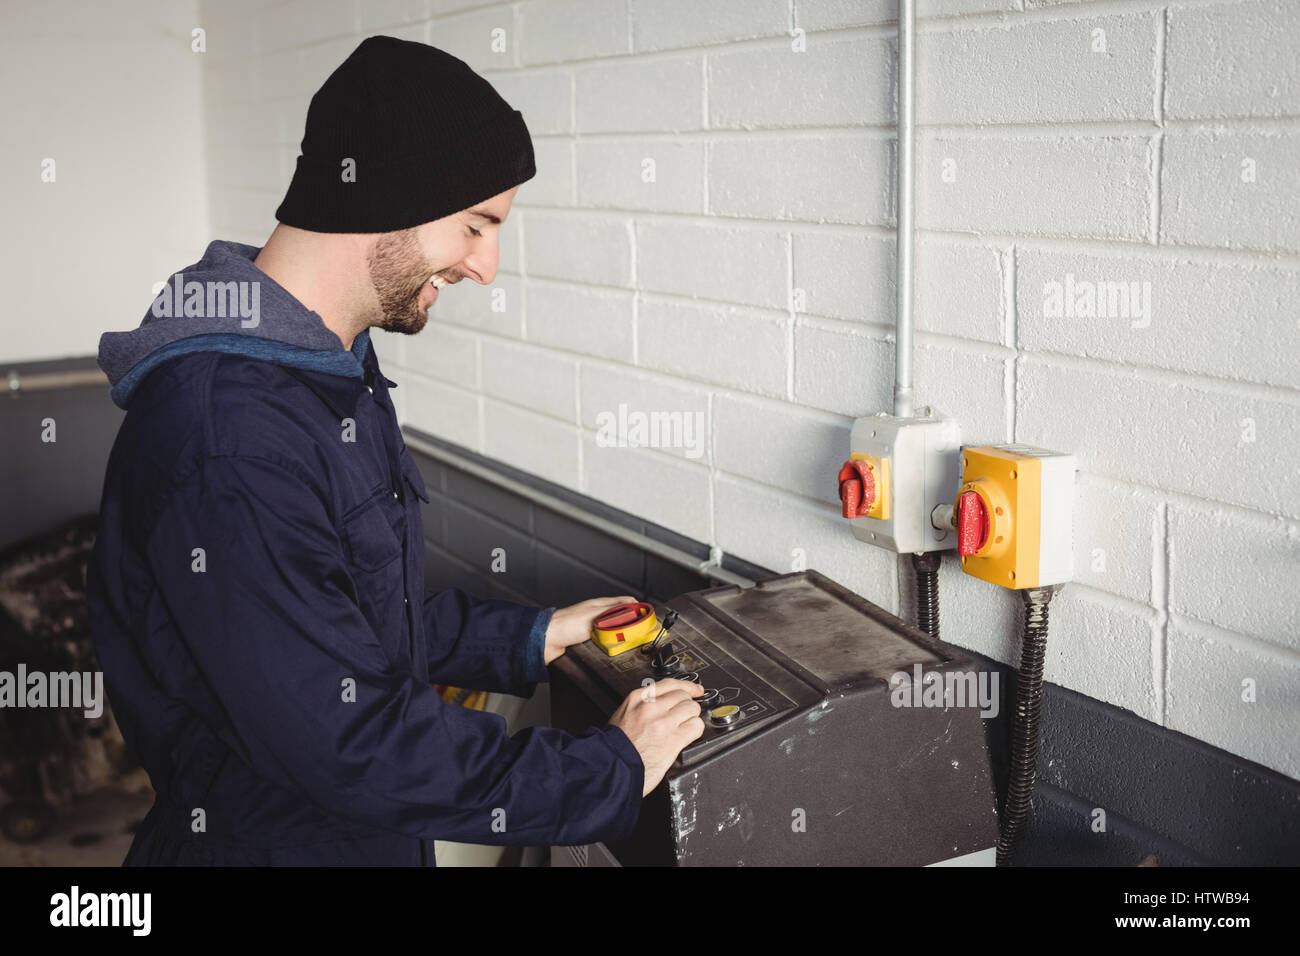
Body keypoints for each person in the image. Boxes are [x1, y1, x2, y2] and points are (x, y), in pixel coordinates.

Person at [86, 35, 704, 866]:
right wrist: (608, 769)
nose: (487, 268)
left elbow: (347, 617)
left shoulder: (325, 370)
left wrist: (533, 634)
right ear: (388, 194)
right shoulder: (228, 438)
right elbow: (347, 740)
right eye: (477, 226)